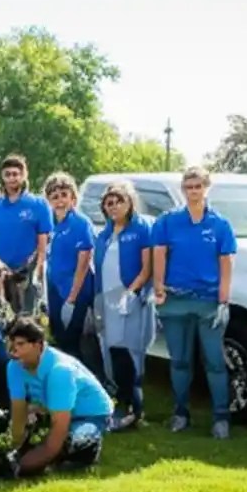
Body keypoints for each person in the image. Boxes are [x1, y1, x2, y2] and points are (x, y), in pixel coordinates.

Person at [152, 166, 237, 439]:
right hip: (175, 300)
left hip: (208, 302)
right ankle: (180, 413)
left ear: (207, 188)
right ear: (183, 190)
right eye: (189, 187)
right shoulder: (168, 221)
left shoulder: (220, 224)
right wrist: (158, 288)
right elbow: (159, 254)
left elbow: (226, 263)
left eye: (198, 186)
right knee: (179, 361)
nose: (193, 191)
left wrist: (224, 299)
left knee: (214, 361)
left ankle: (221, 418)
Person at [4, 317, 113, 477]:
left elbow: (59, 426)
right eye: (12, 344)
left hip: (90, 415)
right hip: (51, 409)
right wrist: (12, 448)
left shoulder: (60, 370)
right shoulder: (14, 366)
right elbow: (18, 411)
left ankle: (91, 447)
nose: (15, 351)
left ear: (38, 345)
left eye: (20, 344)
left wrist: (30, 464)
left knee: (75, 443)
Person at [92, 180, 155, 431]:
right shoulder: (104, 234)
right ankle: (118, 401)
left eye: (120, 201)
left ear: (130, 203)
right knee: (110, 350)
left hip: (129, 299)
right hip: (106, 299)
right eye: (110, 202)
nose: (115, 206)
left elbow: (146, 267)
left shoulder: (141, 230)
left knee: (129, 352)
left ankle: (133, 408)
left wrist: (132, 292)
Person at [0, 154, 52, 313]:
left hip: (27, 272)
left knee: (27, 319)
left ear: (24, 176)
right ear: (2, 177)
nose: (12, 178)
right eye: (7, 174)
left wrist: (37, 270)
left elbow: (43, 242)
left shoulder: (38, 204)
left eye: (16, 174)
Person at [42, 172, 95, 363]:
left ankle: (84, 382)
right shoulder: (53, 225)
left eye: (64, 195)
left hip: (75, 291)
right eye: (54, 197)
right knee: (58, 336)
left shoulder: (80, 223)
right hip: (56, 290)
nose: (60, 200)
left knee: (73, 341)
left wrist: (72, 298)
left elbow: (84, 262)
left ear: (73, 197)